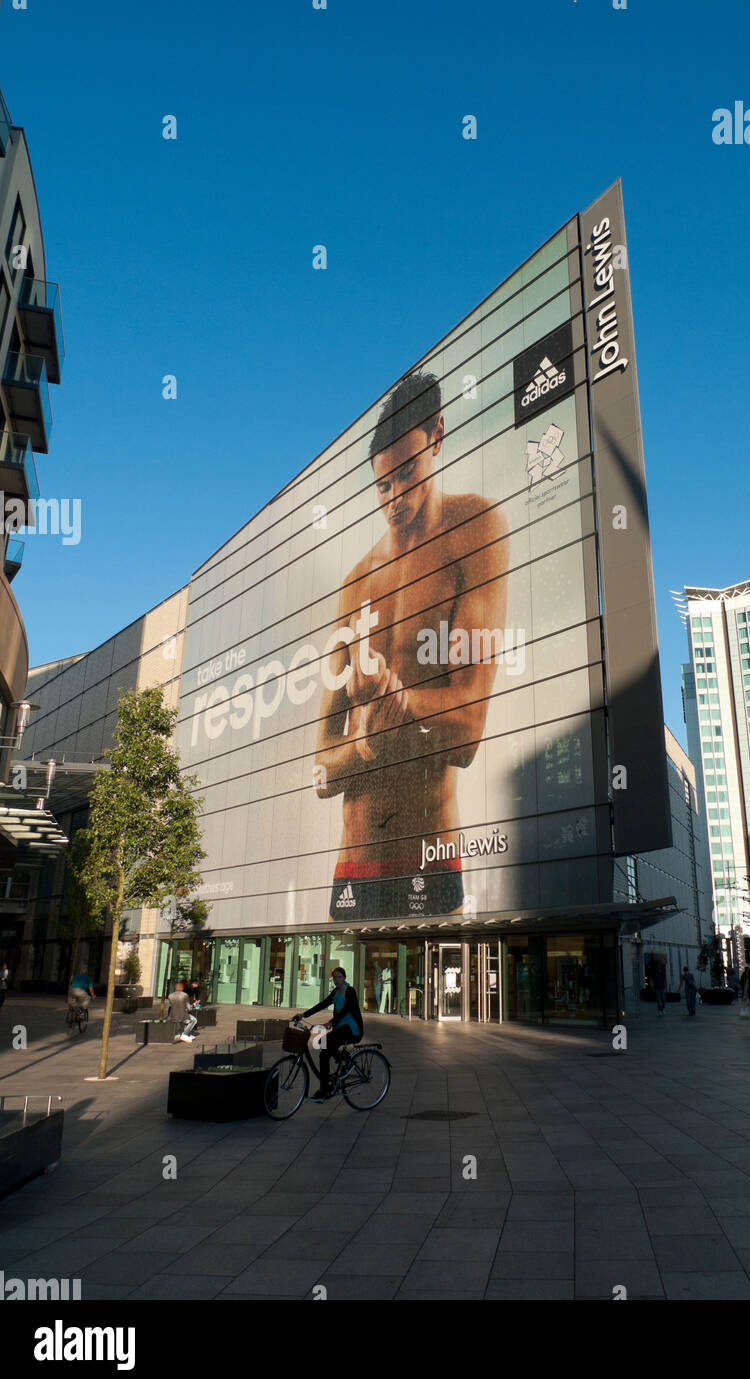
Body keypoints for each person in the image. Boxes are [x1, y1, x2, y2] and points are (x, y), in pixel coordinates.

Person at [314, 371, 510, 922]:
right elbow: (322, 769)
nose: (395, 498)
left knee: (427, 1000)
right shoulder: (355, 584)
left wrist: (398, 702)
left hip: (433, 855)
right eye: (382, 486)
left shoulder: (475, 529)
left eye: (407, 474)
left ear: (438, 436)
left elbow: (470, 728)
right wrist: (361, 745)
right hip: (353, 866)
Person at [293, 967, 363, 1100]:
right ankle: (341, 1061)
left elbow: (347, 1010)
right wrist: (303, 1015)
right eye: (334, 977)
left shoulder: (350, 991)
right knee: (321, 1043)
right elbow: (323, 1004)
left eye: (339, 977)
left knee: (324, 1052)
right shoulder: (336, 992)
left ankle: (324, 1089)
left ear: (344, 977)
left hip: (352, 1029)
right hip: (340, 1028)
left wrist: (331, 1022)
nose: (336, 980)